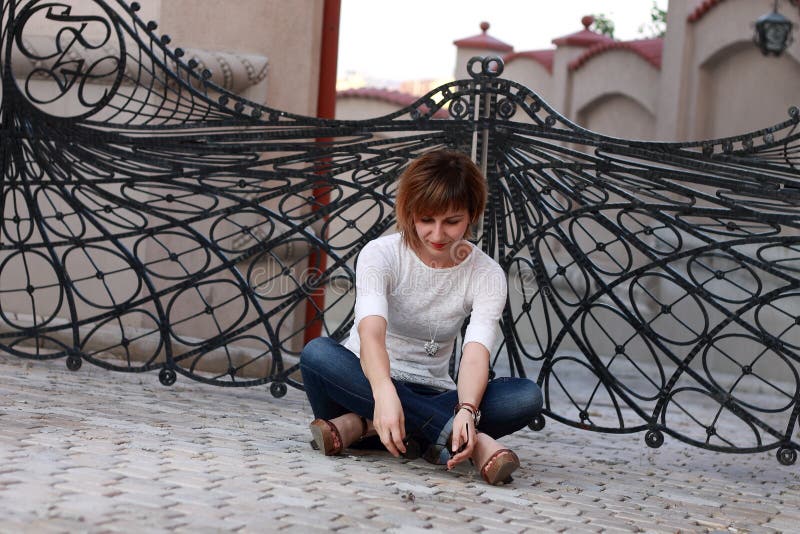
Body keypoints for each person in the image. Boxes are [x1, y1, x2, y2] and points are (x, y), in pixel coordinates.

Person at [300, 149, 542, 485]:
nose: (438, 234)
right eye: (427, 219)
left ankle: (363, 427)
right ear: (410, 213)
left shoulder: (486, 274)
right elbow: (370, 333)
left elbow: (475, 353)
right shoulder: (380, 254)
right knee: (318, 355)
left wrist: (467, 409)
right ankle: (462, 442)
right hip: (361, 383)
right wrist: (383, 392)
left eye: (452, 221)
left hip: (432, 391)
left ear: (472, 214)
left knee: (525, 397)